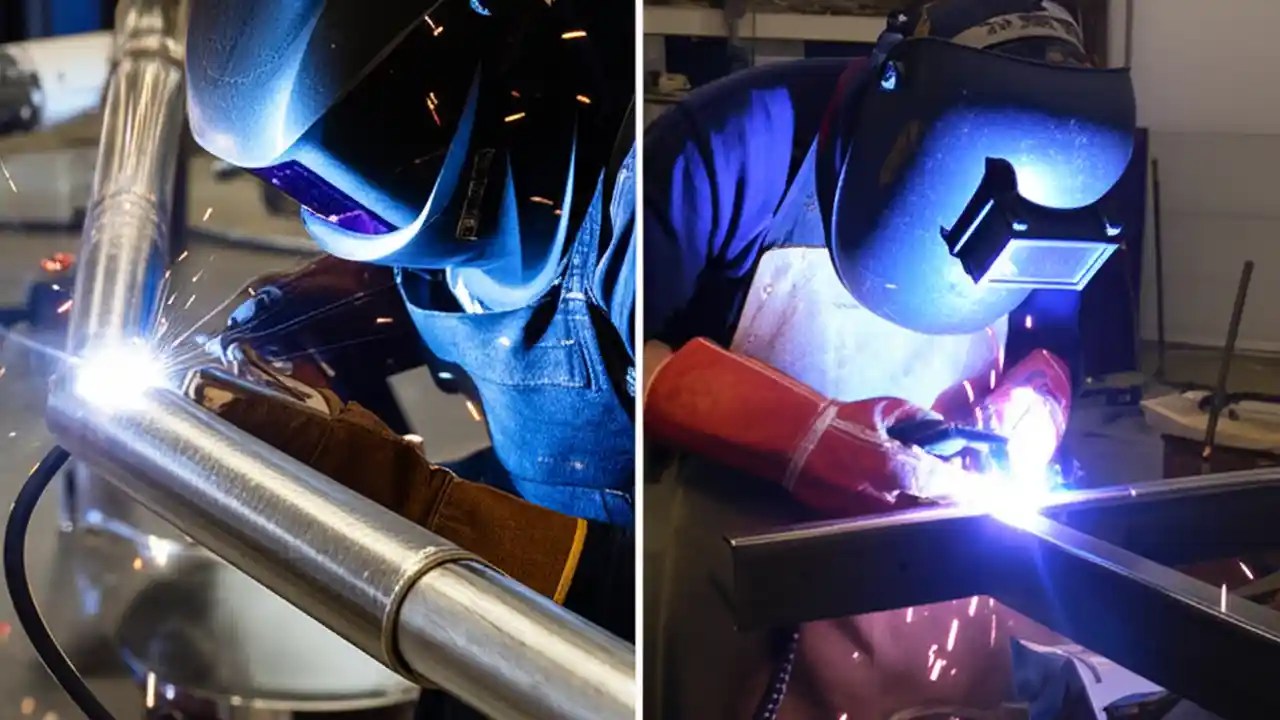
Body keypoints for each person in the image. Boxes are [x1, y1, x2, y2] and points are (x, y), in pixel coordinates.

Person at [643, 1, 1136, 718]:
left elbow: (1051, 337)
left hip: (942, 575)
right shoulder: (736, 143)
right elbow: (610, 358)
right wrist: (796, 432)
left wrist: (1038, 396)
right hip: (740, 584)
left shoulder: (1073, 173)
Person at [180, 0, 636, 711]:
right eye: (306, 186)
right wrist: (354, 326)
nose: (339, 210)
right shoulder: (475, 185)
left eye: (346, 164)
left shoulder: (640, 211)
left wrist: (420, 507)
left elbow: (689, 604)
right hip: (509, 628)